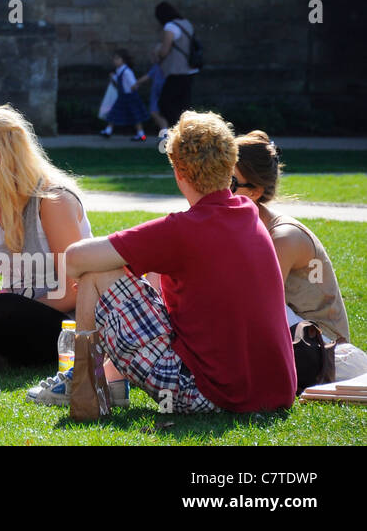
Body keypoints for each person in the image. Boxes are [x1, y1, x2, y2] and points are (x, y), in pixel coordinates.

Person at [50, 111, 296, 418]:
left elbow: (73, 258)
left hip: (214, 394)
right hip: (274, 392)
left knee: (95, 275)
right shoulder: (246, 210)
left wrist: (101, 274)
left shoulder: (182, 229)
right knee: (123, 269)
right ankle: (96, 383)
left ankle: (84, 386)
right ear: (230, 166)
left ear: (178, 171)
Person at [0, 102, 92, 368]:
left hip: (68, 323)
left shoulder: (52, 200)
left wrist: (10, 308)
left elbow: (74, 291)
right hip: (16, 318)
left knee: (0, 309)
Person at [233, 131, 351, 346]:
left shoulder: (284, 237)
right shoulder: (243, 227)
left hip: (326, 348)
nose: (216, 190)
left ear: (255, 191)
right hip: (297, 336)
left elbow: (255, 305)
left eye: (230, 183)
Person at [151, 2, 199, 127]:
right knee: (183, 105)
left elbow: (164, 51)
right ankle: (185, 132)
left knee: (165, 104)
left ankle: (177, 130)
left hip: (176, 71)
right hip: (190, 70)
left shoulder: (170, 27)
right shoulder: (186, 24)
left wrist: (157, 51)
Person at [99, 49, 148, 141]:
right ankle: (108, 131)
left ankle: (142, 135)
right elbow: (119, 82)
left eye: (117, 58)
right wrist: (113, 77)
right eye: (114, 59)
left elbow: (133, 84)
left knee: (135, 116)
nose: (115, 61)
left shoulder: (126, 72)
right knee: (114, 112)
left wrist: (132, 89)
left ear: (123, 60)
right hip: (123, 96)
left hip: (130, 97)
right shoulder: (119, 71)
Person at [133, 55, 170, 136]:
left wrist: (135, 83)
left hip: (160, 94)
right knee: (157, 114)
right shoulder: (159, 67)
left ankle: (165, 133)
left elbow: (147, 77)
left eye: (155, 55)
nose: (152, 57)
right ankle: (165, 133)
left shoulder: (160, 67)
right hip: (158, 93)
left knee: (155, 113)